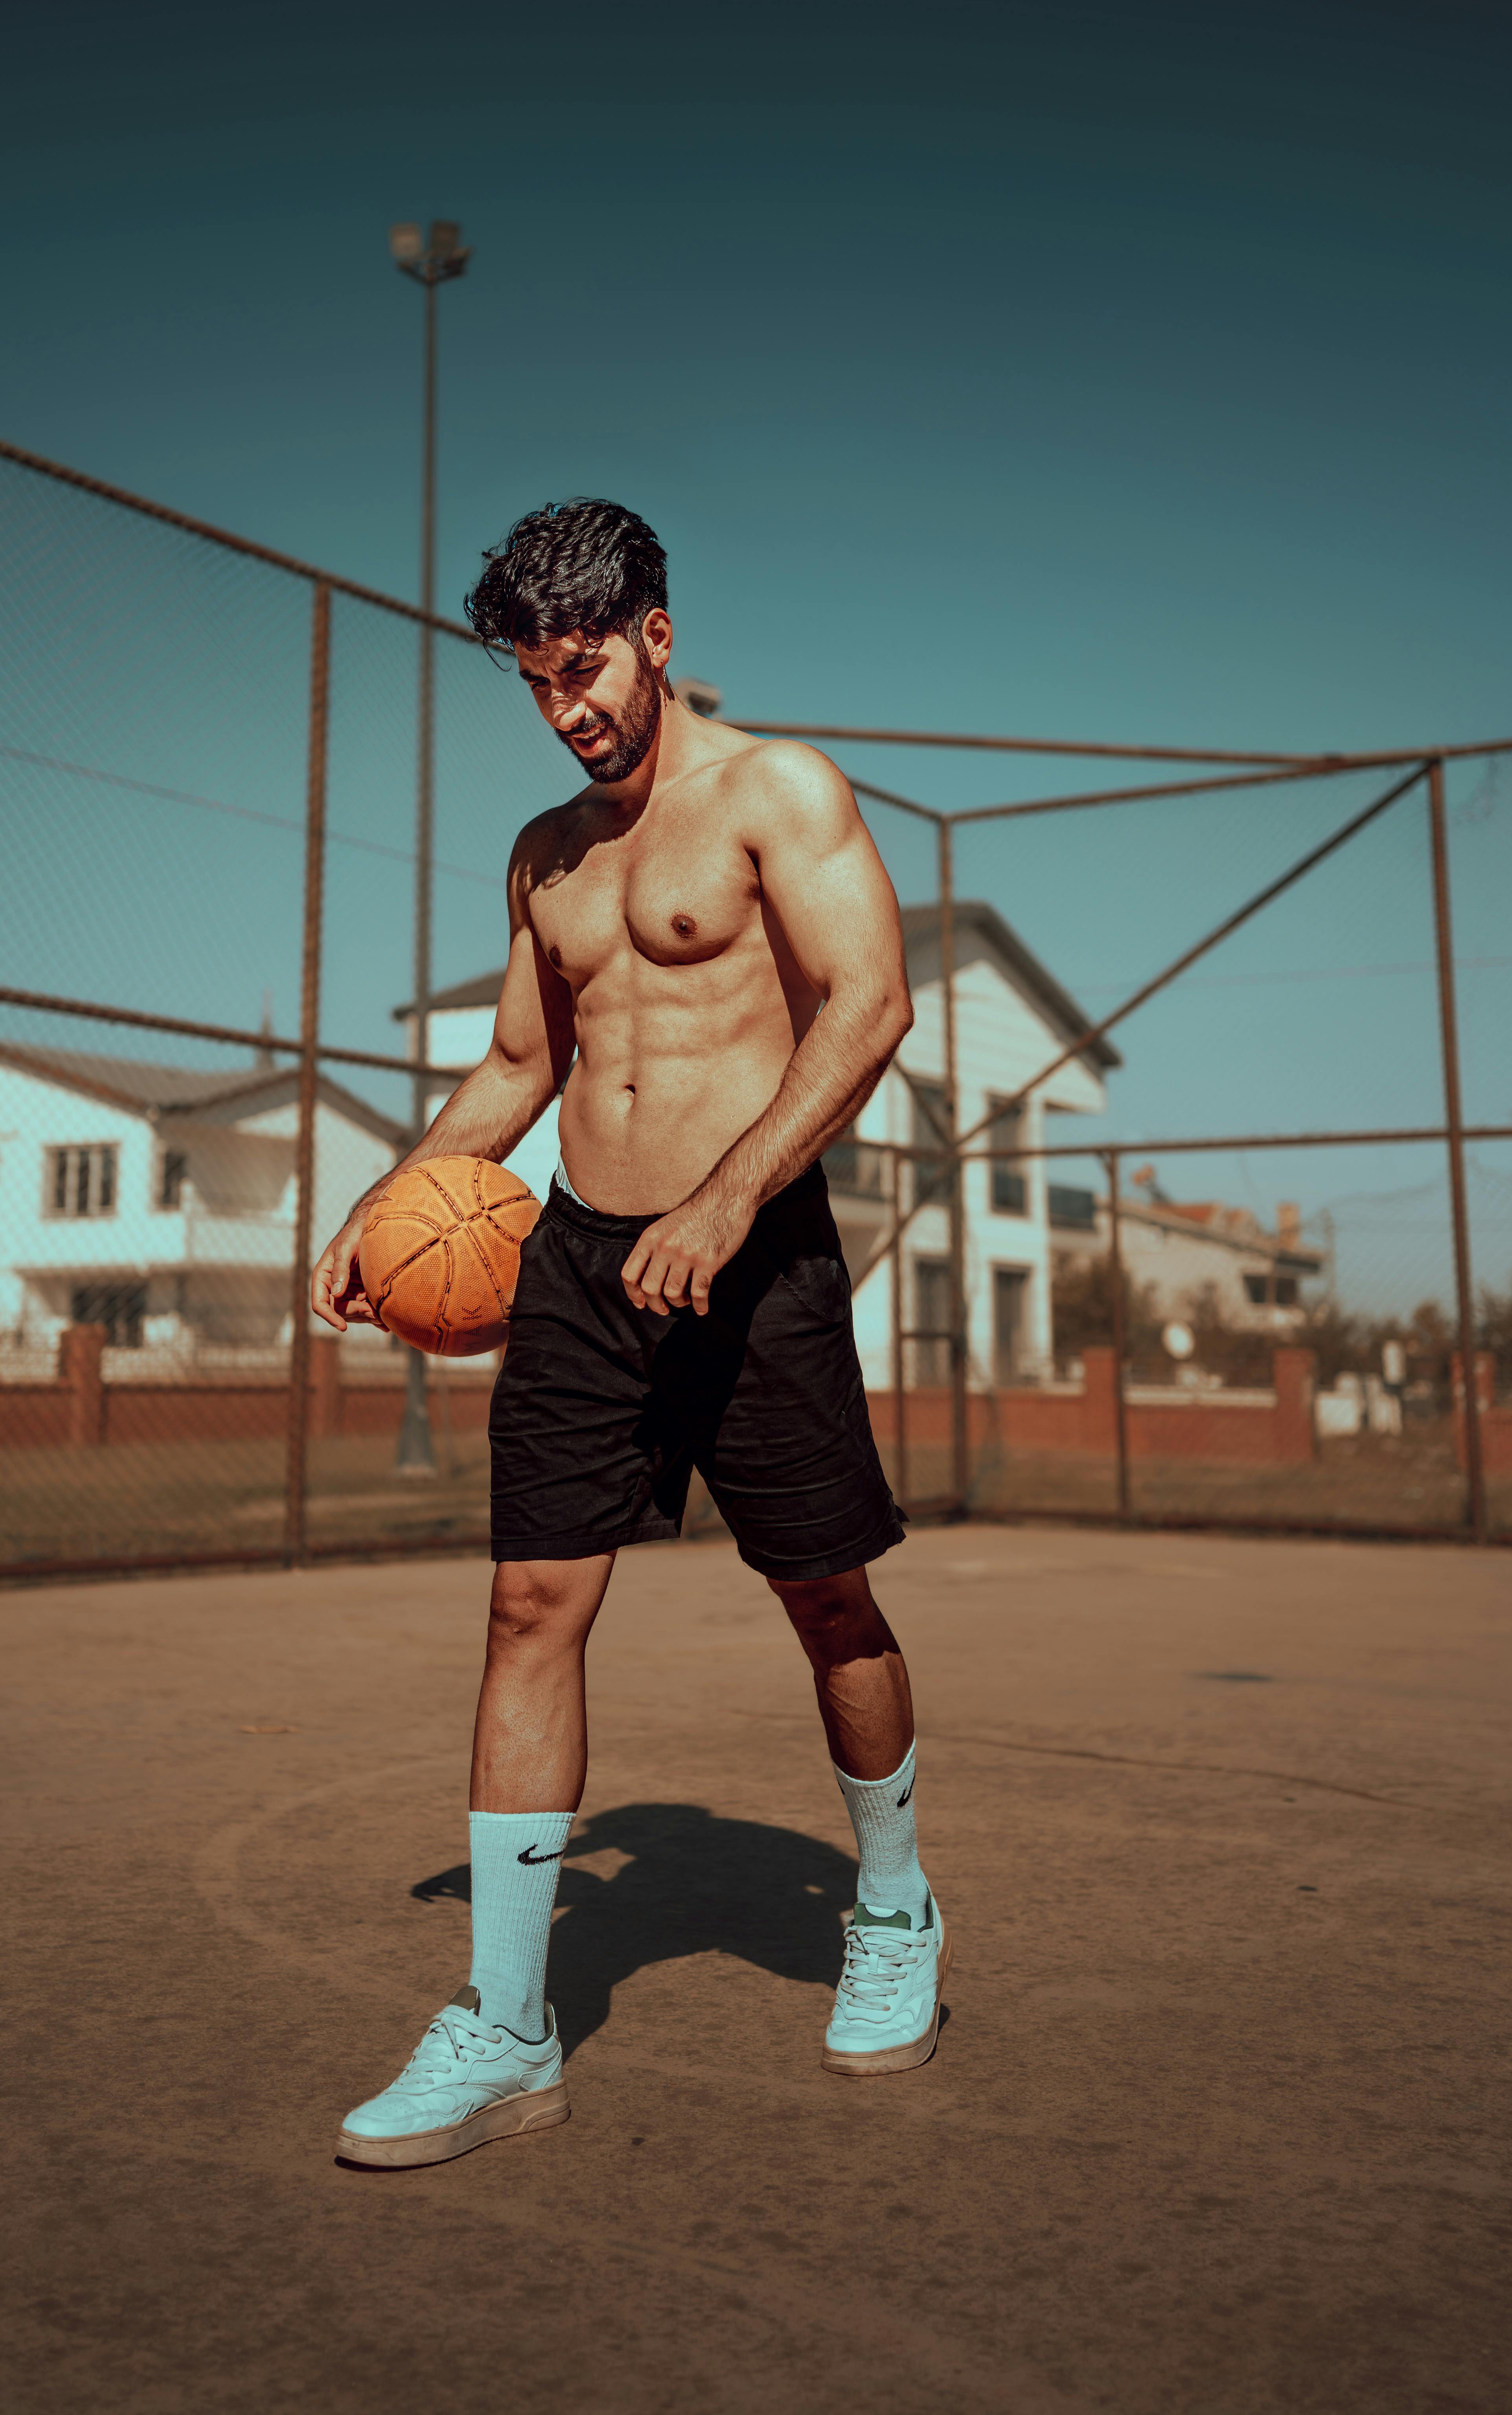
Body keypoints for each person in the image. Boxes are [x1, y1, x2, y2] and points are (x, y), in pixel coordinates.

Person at [312, 499, 951, 2169]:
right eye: (536, 680)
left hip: (757, 1256)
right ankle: (508, 2028)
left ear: (653, 635)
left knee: (824, 1596)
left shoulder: (779, 792)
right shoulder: (544, 853)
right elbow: (524, 1065)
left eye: (584, 667)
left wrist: (733, 1198)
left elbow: (871, 1002)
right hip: (585, 1269)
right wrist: (398, 1198)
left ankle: (891, 1906)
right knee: (532, 1602)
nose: (566, 704)